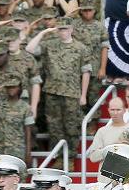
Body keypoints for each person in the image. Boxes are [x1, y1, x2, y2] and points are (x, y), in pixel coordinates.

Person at [25, 17, 92, 149]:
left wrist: (83, 95)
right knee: (54, 125)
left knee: (71, 125)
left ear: (71, 29)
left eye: (65, 29)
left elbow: (86, 72)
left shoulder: (80, 48)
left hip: (72, 93)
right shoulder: (49, 45)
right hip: (52, 92)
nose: (62, 32)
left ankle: (70, 156)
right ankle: (58, 155)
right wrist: (43, 33)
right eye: (60, 29)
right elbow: (29, 49)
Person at [86, 97, 129, 162]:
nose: (115, 113)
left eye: (118, 110)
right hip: (106, 171)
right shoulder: (102, 131)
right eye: (112, 110)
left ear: (124, 110)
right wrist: (112, 148)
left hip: (127, 170)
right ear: (108, 110)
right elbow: (93, 157)